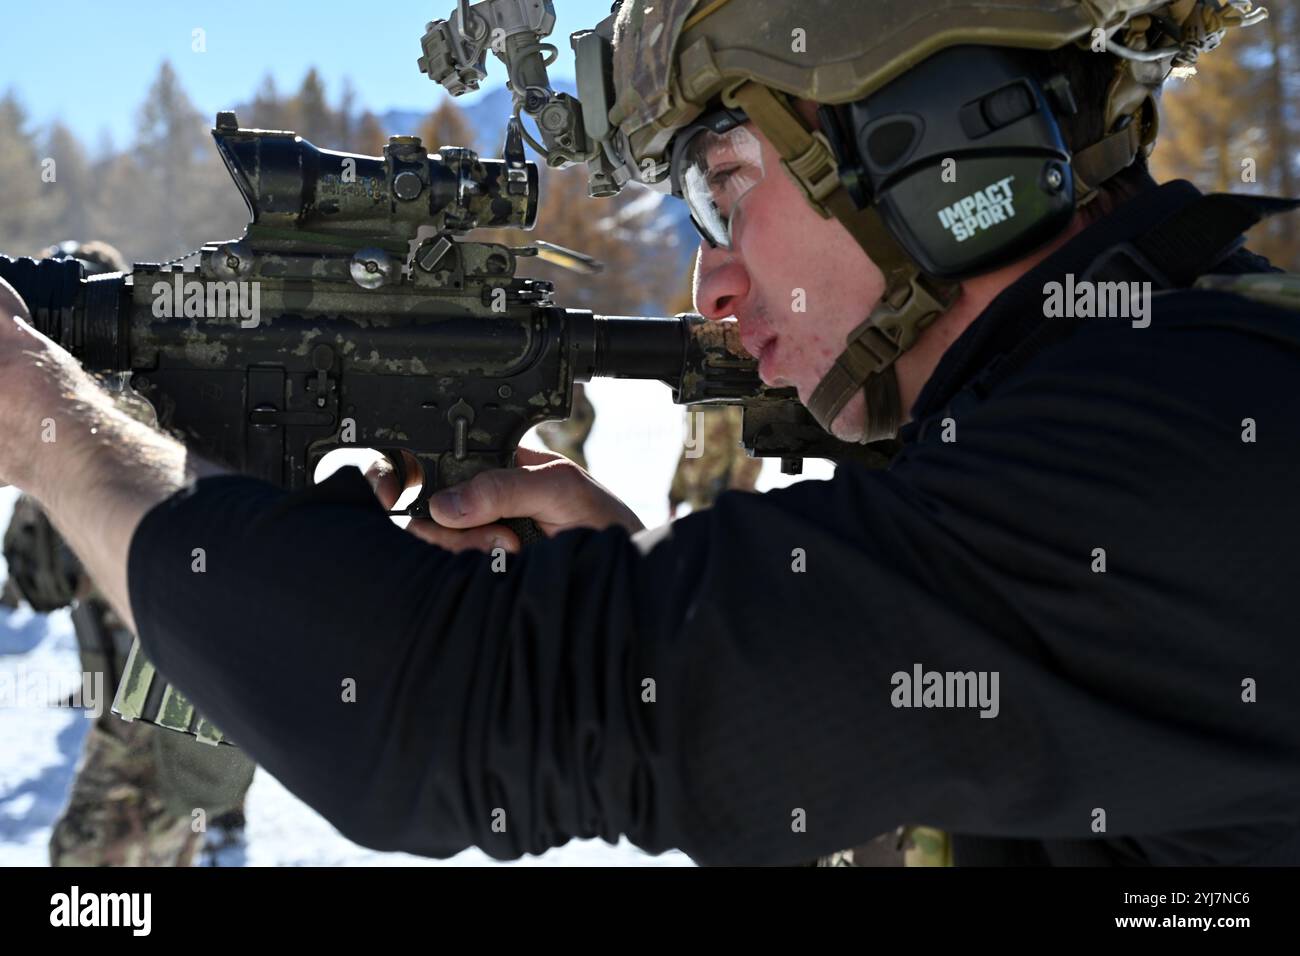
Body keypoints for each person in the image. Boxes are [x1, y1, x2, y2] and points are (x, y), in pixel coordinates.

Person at [2, 0, 1299, 867]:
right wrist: (652, 607)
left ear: (942, 154)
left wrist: (47, 425)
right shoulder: (1139, 403)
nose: (712, 288)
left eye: (728, 190)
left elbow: (448, 716)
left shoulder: (1193, 454)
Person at [2, 242, 256, 866]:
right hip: (175, 706)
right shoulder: (179, 384)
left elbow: (40, 582)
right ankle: (220, 819)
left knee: (93, 865)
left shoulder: (101, 417)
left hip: (157, 712)